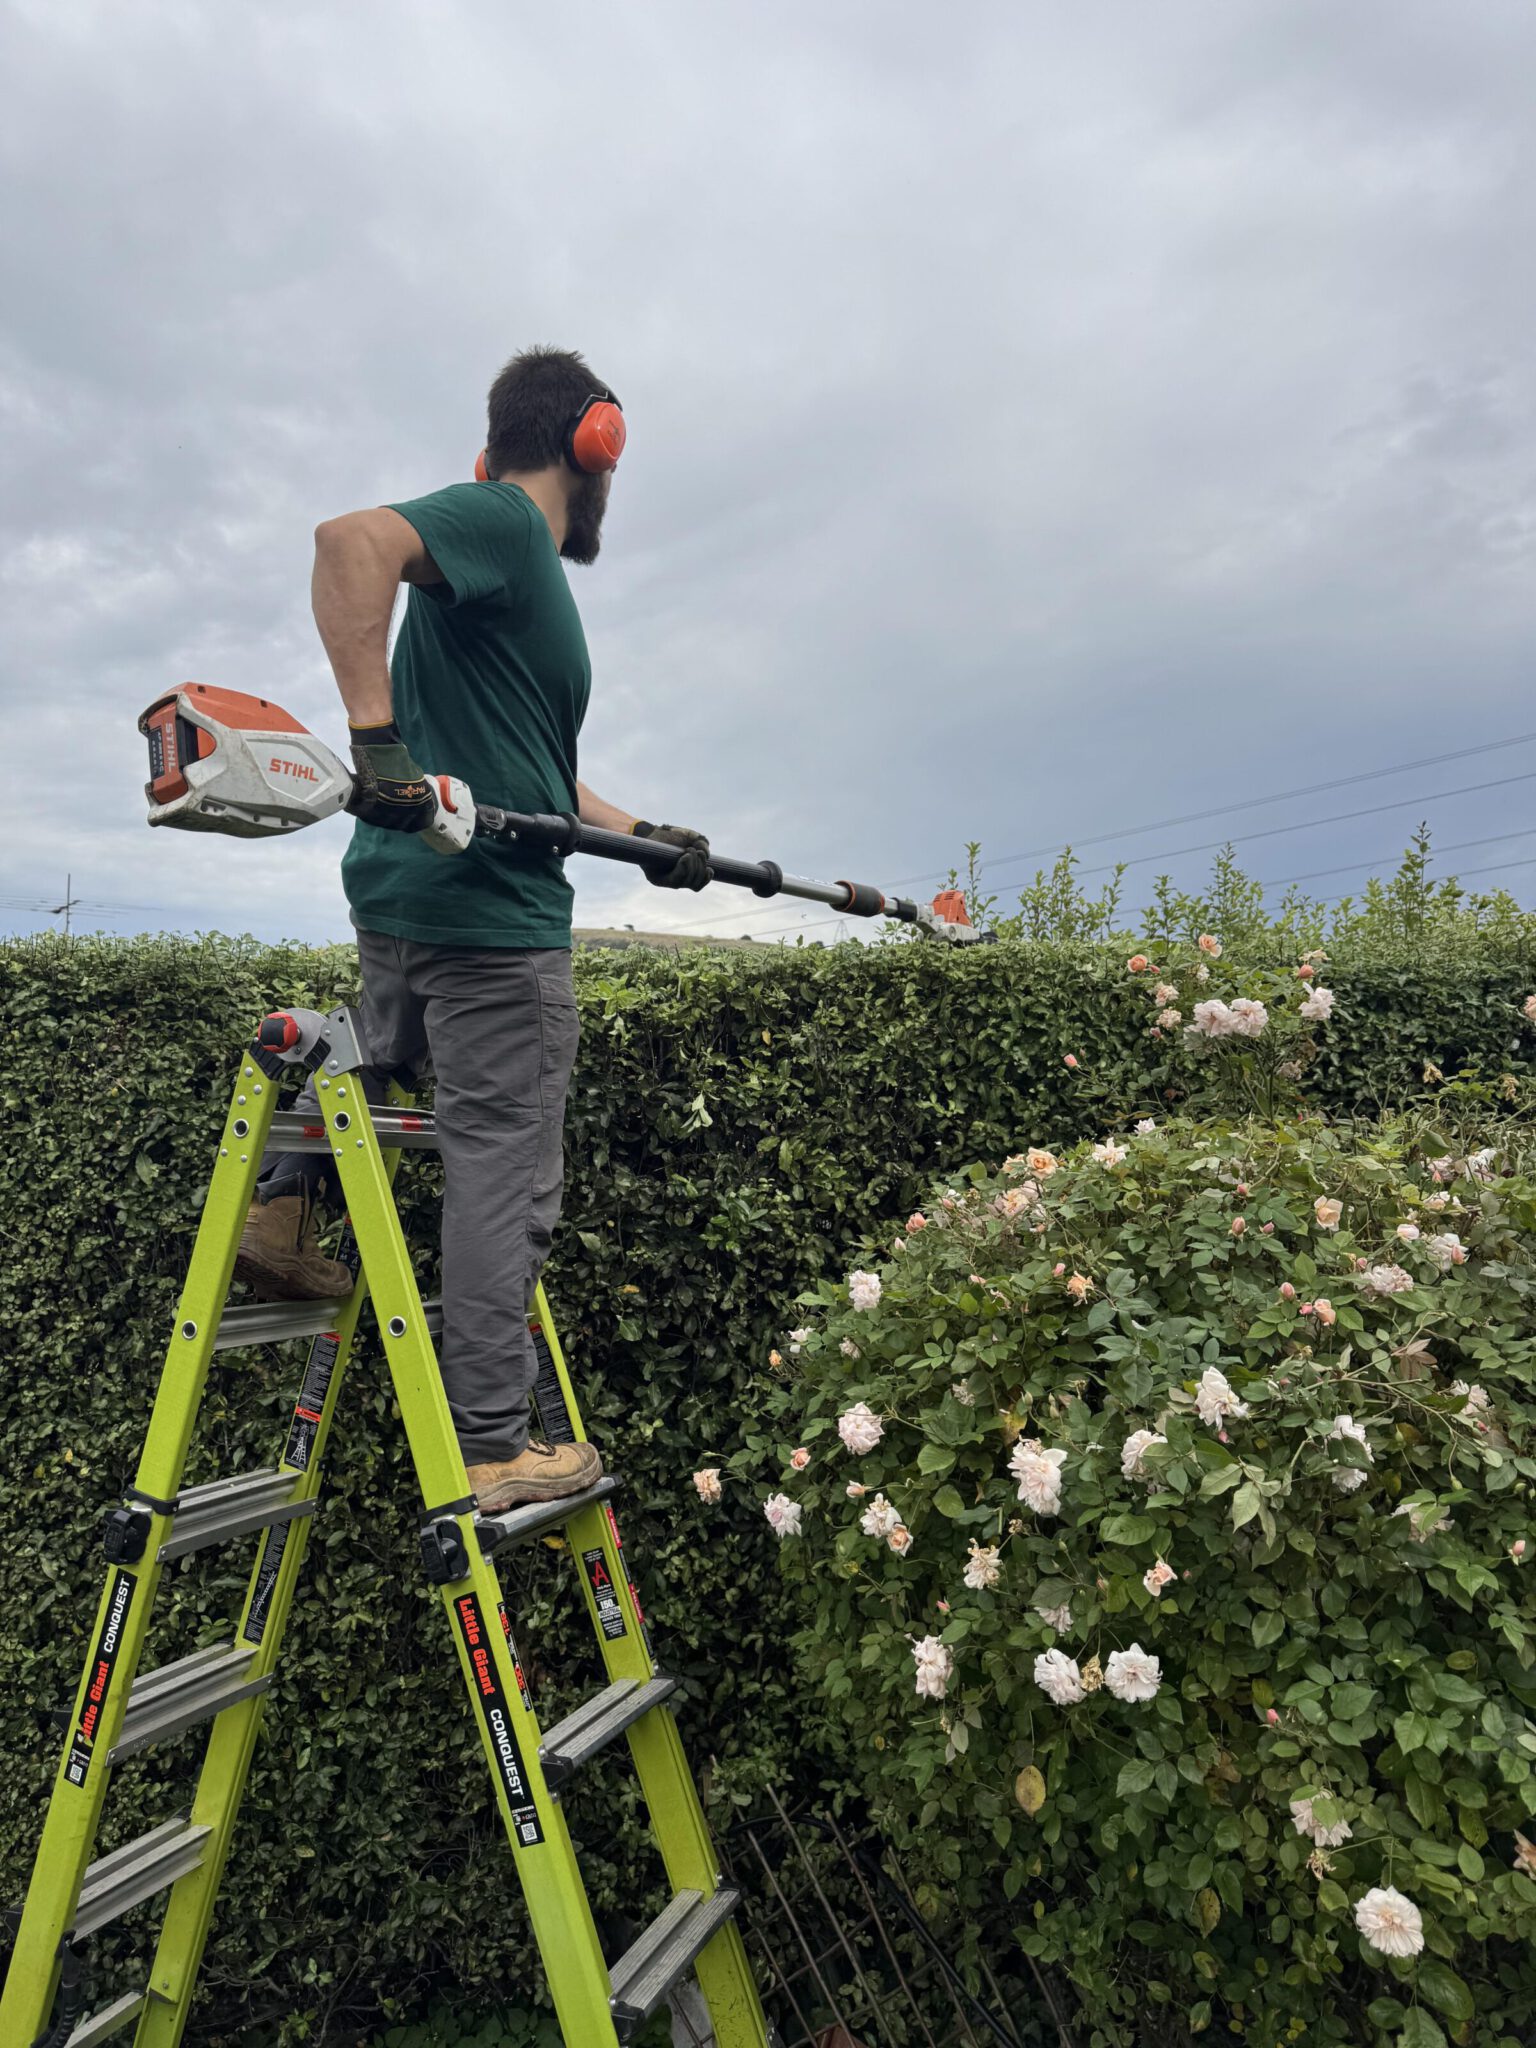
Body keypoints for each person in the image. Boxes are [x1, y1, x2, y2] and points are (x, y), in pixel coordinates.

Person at [235, 346, 710, 1509]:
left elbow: (547, 782)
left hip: (403, 902)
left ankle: (286, 1197)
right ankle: (495, 1445)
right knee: (504, 1170)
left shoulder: (507, 580)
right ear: (598, 439)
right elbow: (348, 542)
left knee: (375, 1044)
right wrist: (376, 741)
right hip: (495, 923)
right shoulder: (504, 522)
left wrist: (651, 833)